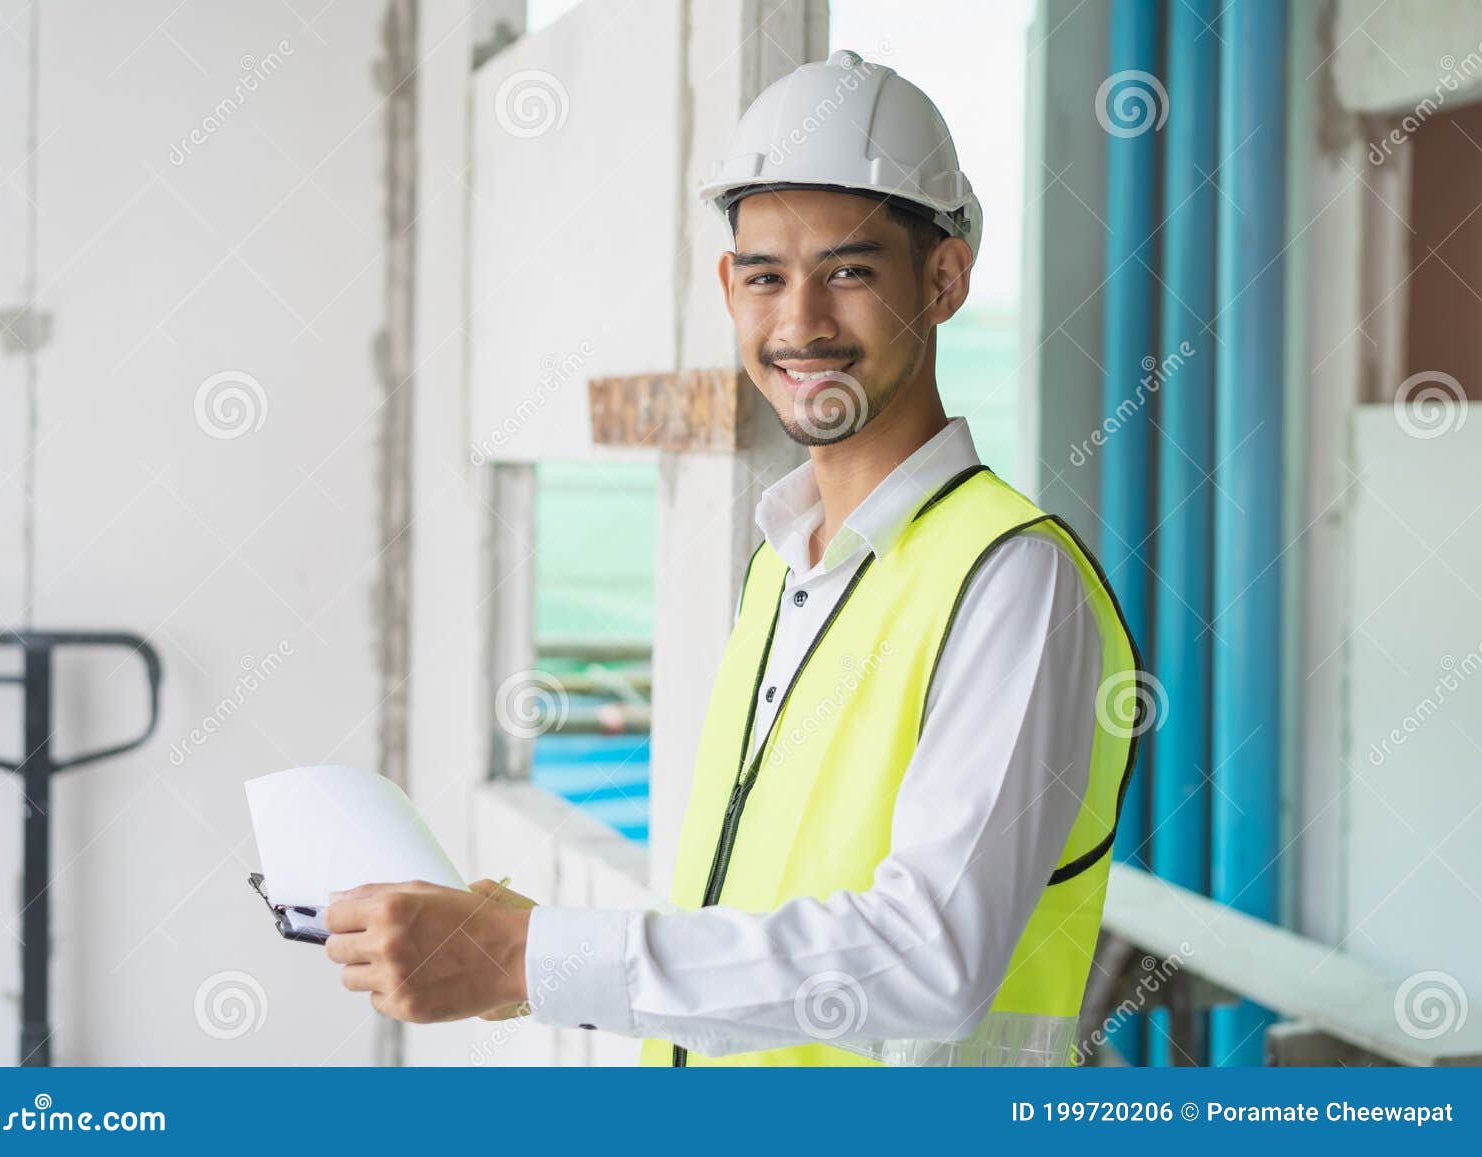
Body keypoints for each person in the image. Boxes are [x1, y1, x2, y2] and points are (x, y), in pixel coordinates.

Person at [322, 49, 1143, 1067]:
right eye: (765, 276)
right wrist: (524, 943)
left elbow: (930, 958)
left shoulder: (1012, 581)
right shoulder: (783, 563)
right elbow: (765, 897)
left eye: (848, 271)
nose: (799, 323)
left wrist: (528, 957)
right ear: (729, 286)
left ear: (942, 278)